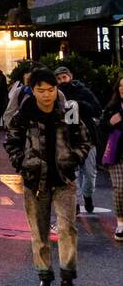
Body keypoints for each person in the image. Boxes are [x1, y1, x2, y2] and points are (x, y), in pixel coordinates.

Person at [5, 68, 93, 286]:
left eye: (51, 89)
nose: (47, 94)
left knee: (67, 229)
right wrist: (22, 163)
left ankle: (67, 276)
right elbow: (11, 141)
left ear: (56, 89)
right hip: (34, 181)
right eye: (41, 90)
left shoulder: (68, 111)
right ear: (33, 91)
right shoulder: (23, 115)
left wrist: (74, 158)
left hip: (64, 180)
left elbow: (84, 140)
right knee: (39, 232)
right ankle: (44, 276)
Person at [54, 66, 101, 214]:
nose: (62, 81)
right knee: (70, 173)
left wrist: (79, 104)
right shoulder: (55, 95)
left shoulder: (83, 91)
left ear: (70, 76)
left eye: (64, 77)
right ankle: (74, 202)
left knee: (89, 172)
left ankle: (88, 196)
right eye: (59, 78)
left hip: (87, 139)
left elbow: (97, 109)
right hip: (66, 140)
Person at [97, 77, 123, 242]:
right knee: (120, 188)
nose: (122, 88)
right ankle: (120, 222)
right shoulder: (112, 108)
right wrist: (111, 122)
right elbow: (102, 126)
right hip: (117, 154)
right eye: (120, 86)